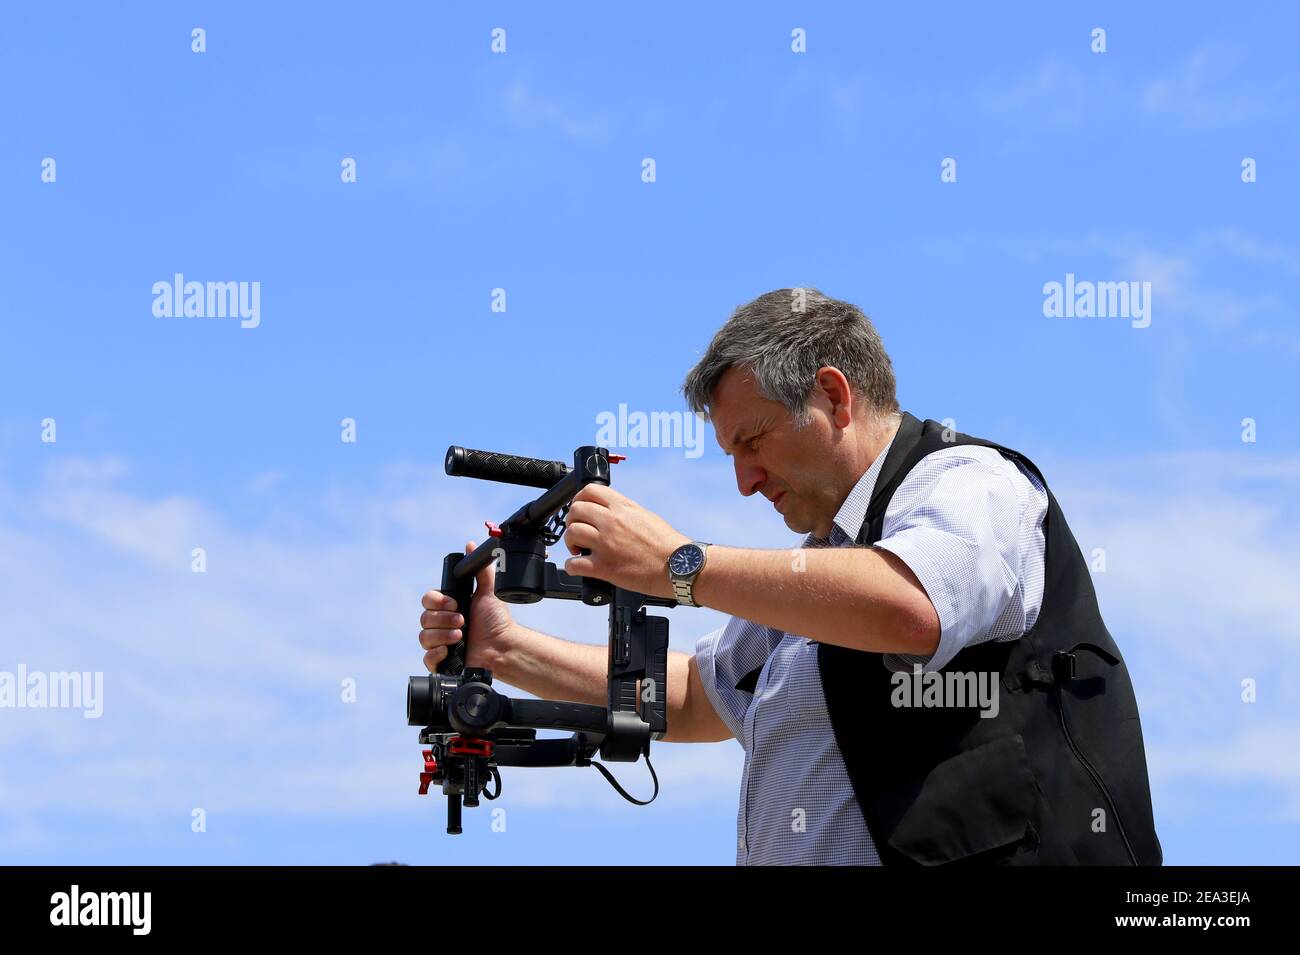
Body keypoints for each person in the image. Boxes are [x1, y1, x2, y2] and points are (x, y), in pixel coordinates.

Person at [418, 287, 1162, 866]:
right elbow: (694, 697)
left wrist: (683, 567)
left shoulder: (968, 482)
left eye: (753, 441)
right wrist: (504, 649)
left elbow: (912, 606)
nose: (744, 482)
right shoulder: (819, 567)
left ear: (835, 396)